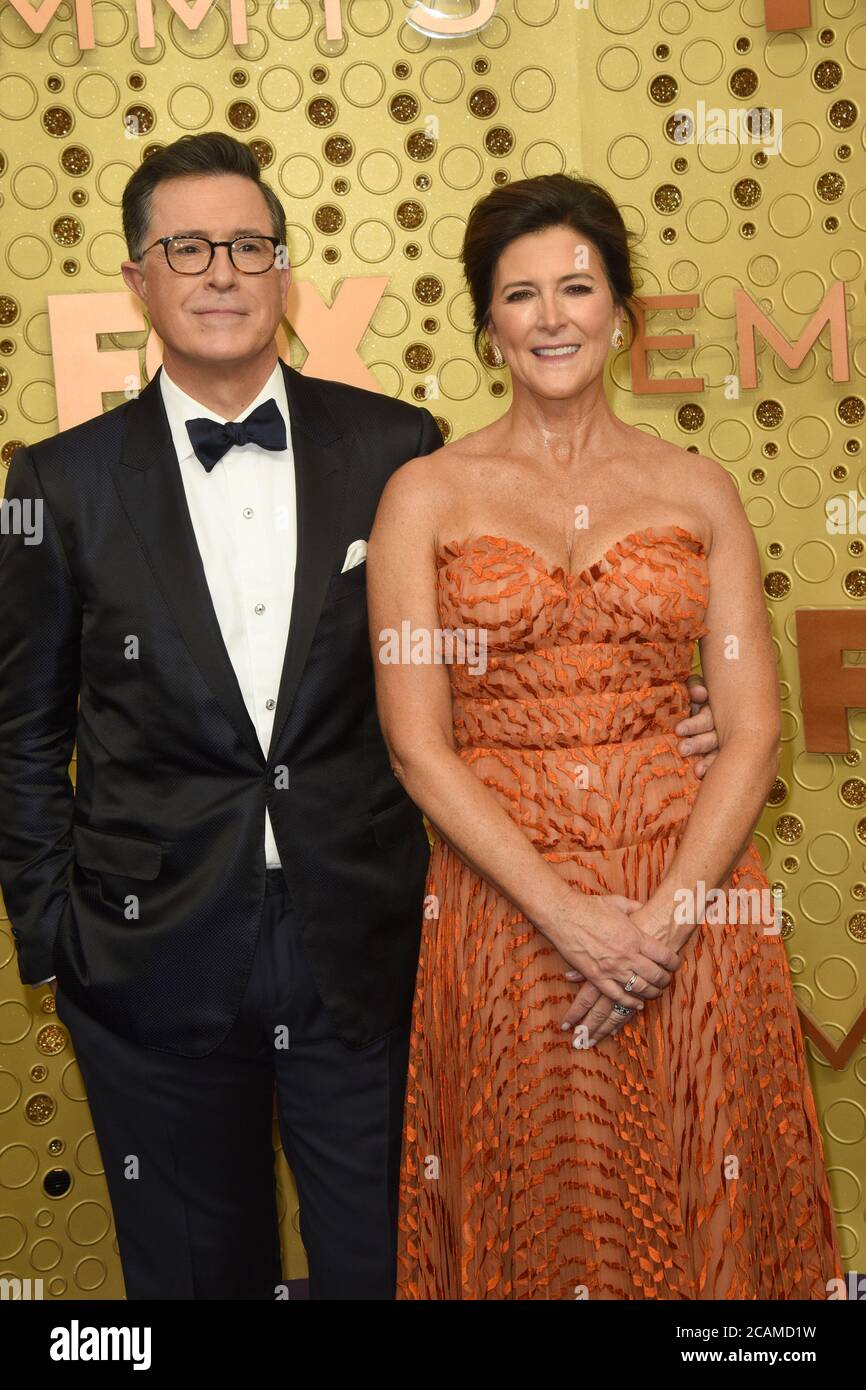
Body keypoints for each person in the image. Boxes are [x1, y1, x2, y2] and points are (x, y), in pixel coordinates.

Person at [367, 172, 844, 1299]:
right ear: (487, 325)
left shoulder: (697, 489)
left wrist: (661, 926)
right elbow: (415, 747)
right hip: (507, 904)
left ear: (620, 312)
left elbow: (750, 733)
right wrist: (569, 915)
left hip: (686, 898)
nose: (550, 316)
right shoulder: (422, 496)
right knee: (541, 1195)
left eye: (575, 287)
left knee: (704, 1185)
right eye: (518, 294)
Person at [0, 129, 444, 1300]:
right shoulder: (56, 483)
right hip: (148, 952)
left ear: (284, 271)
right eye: (185, 247)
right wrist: (56, 937)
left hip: (366, 938)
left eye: (249, 245)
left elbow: (469, 674)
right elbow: (24, 730)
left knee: (389, 1268)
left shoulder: (399, 451)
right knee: (196, 1279)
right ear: (137, 277)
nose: (221, 271)